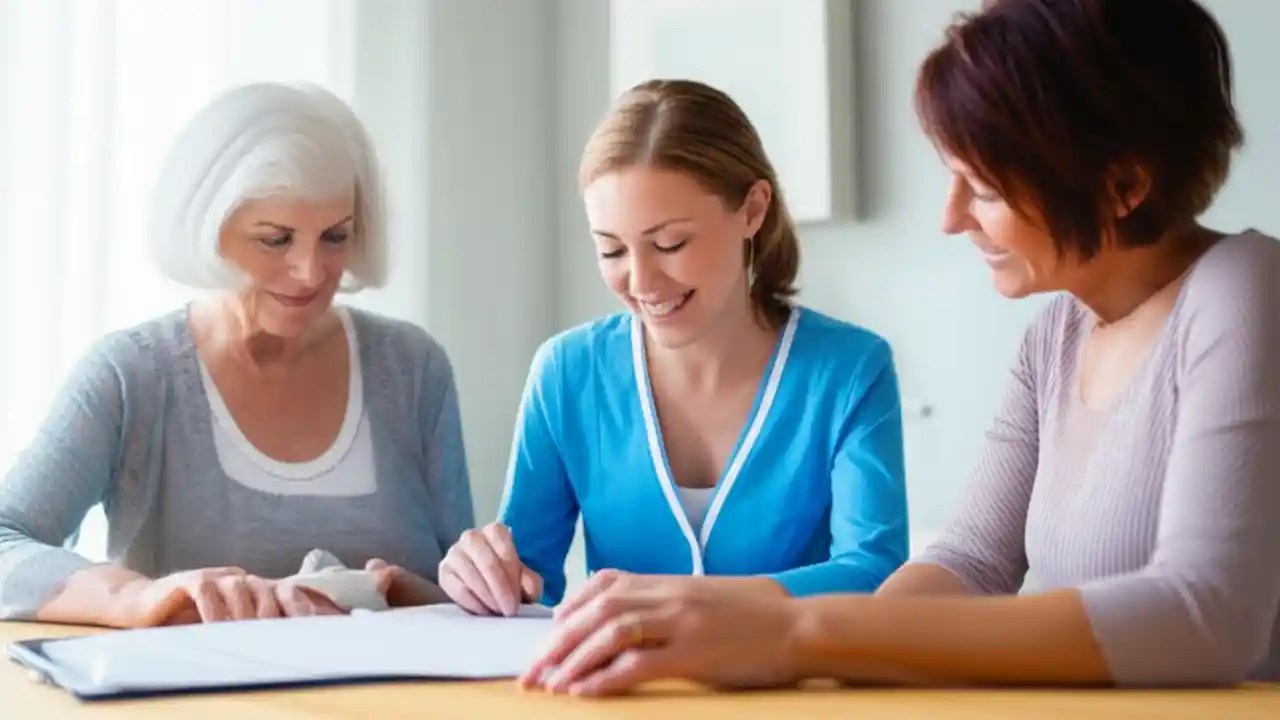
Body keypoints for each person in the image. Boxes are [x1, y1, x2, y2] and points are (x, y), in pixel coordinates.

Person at [519, 0, 1280, 695]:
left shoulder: (1244, 290)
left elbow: (1204, 615)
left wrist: (794, 633)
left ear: (1123, 184)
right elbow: (971, 564)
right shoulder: (1056, 335)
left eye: (981, 187)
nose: (951, 218)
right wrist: (804, 653)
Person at [0, 82, 474, 627]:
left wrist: (397, 590)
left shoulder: (413, 368)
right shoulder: (131, 376)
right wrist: (136, 599)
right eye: (276, 239)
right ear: (209, 228)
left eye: (335, 237)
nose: (311, 272)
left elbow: (461, 591)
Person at [437, 79, 909, 618]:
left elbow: (875, 573)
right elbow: (527, 585)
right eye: (611, 250)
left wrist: (687, 600)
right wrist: (479, 575)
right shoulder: (566, 374)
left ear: (752, 210)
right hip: (623, 697)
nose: (641, 281)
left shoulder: (850, 371)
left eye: (670, 244)